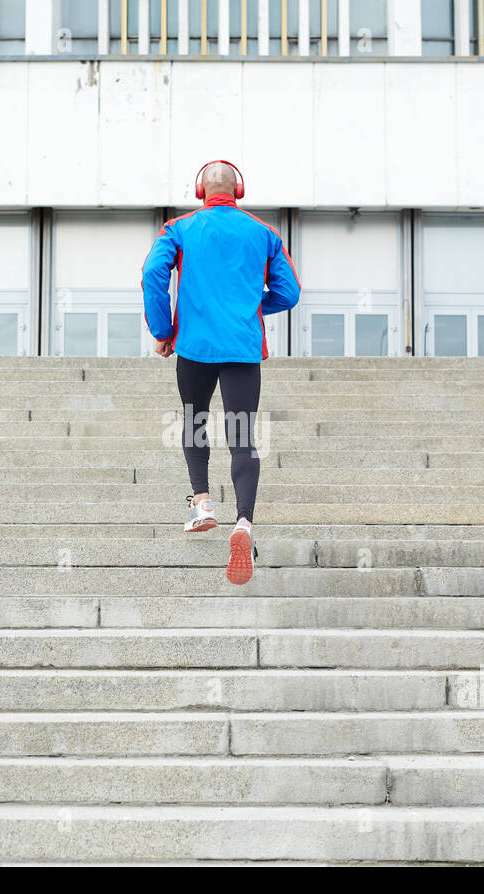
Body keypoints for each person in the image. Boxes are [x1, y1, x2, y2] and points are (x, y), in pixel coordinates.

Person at [140, 160, 301, 585]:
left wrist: (162, 329)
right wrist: (249, 309)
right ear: (239, 189)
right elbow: (289, 291)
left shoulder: (178, 228)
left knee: (195, 422)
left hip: (194, 346)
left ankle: (203, 505)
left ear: (200, 190)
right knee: (243, 435)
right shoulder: (264, 232)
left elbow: (152, 272)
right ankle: (244, 523)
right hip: (242, 348)